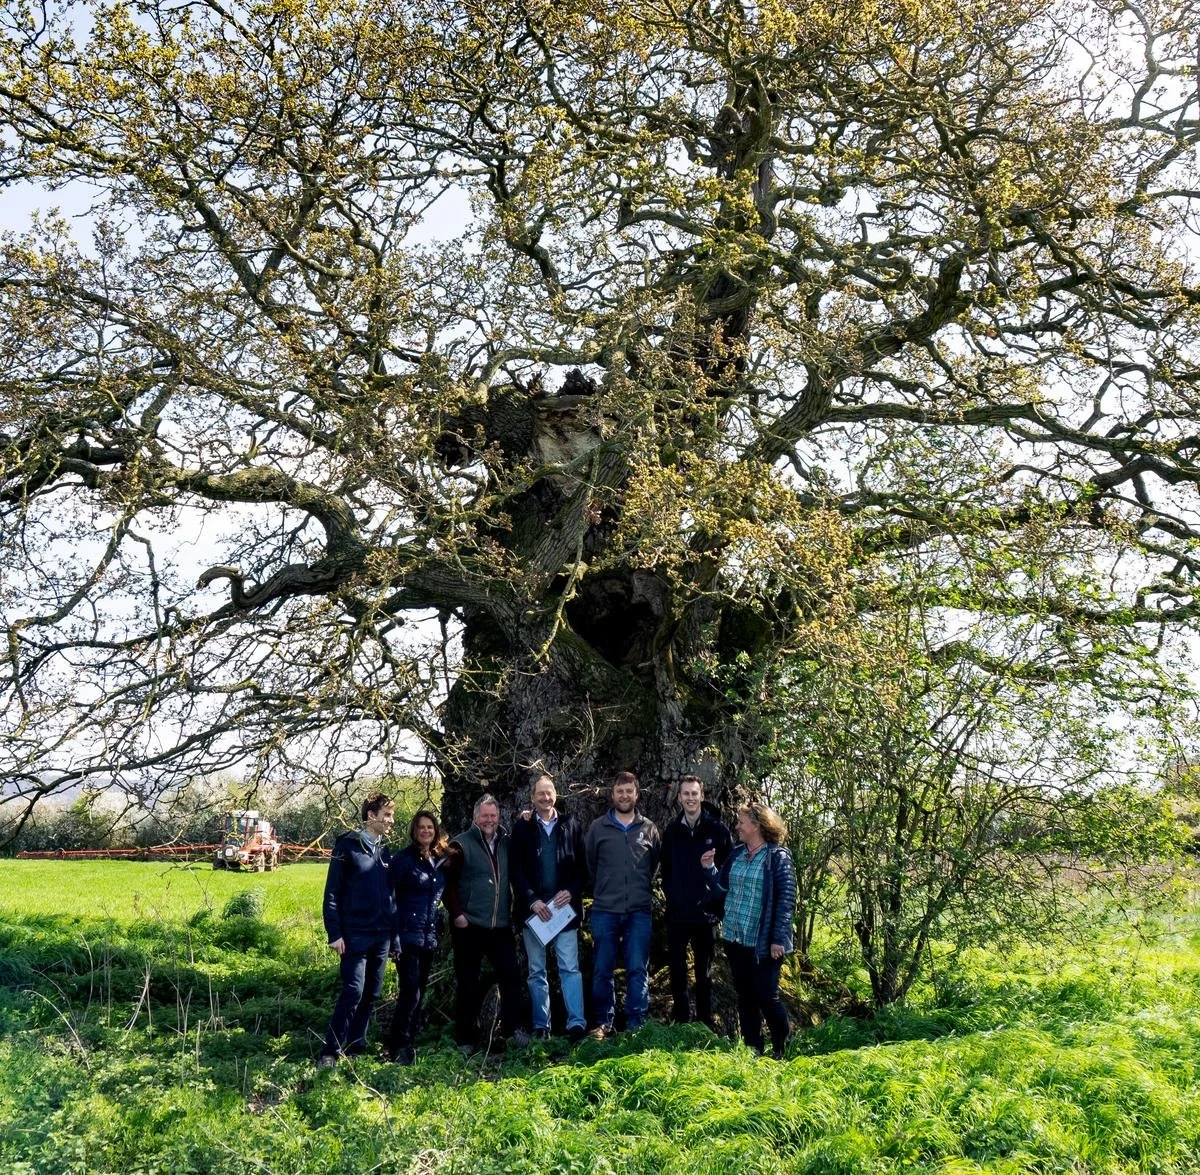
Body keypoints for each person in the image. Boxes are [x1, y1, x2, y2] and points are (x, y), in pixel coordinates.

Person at [701, 802, 796, 1060]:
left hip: (763, 941)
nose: (737, 827)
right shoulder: (736, 854)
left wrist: (778, 939)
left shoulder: (778, 857)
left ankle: (783, 1048)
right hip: (735, 936)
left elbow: (786, 901)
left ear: (757, 825)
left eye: (741, 822)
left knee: (766, 995)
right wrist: (709, 869)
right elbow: (722, 888)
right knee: (745, 997)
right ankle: (754, 1048)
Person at [445, 793, 530, 1053]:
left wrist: (526, 820)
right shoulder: (460, 844)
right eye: (485, 816)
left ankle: (513, 1029)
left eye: (493, 815)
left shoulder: (506, 842)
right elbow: (447, 884)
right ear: (475, 817)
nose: (489, 820)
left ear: (499, 817)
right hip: (469, 925)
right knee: (468, 982)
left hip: (500, 926)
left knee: (511, 976)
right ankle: (465, 1038)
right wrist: (457, 914)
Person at [318, 792, 396, 1069]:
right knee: (353, 990)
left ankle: (354, 1047)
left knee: (372, 992)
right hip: (354, 935)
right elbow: (332, 893)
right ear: (371, 816)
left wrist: (394, 937)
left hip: (381, 935)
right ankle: (330, 1051)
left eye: (392, 815)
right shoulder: (347, 847)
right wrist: (334, 933)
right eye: (387, 815)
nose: (391, 820)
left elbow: (391, 897)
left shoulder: (385, 852)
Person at [510, 772, 588, 1043]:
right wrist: (532, 900)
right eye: (540, 793)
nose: (545, 797)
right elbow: (516, 870)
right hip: (535, 913)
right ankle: (541, 1025)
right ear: (532, 798)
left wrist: (572, 891)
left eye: (549, 792)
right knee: (536, 971)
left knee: (570, 968)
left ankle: (576, 1024)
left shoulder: (571, 825)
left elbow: (583, 868)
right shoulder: (522, 828)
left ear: (556, 795)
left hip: (563, 912)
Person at [584, 771, 661, 1036]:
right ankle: (603, 1022)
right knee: (602, 970)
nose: (624, 796)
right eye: (620, 791)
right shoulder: (598, 828)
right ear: (613, 794)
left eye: (629, 791)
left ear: (637, 794)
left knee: (637, 969)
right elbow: (590, 865)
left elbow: (653, 866)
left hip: (639, 911)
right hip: (605, 910)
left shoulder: (649, 829)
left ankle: (636, 1024)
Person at [660, 774, 733, 1029]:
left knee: (705, 973)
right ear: (679, 797)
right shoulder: (671, 831)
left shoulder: (718, 830)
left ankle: (704, 1024)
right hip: (678, 914)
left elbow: (729, 870)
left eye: (694, 793)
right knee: (677, 971)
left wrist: (716, 902)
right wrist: (673, 896)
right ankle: (682, 1022)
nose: (690, 798)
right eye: (686, 794)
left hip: (706, 915)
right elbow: (666, 871)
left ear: (702, 795)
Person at [383, 809, 448, 1065]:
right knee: (410, 991)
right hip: (406, 935)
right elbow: (390, 898)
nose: (426, 831)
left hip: (428, 935)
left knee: (419, 989)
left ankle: (408, 1038)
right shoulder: (403, 860)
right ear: (414, 830)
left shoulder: (438, 860)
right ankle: (399, 1044)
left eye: (430, 827)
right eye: (422, 827)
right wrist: (394, 938)